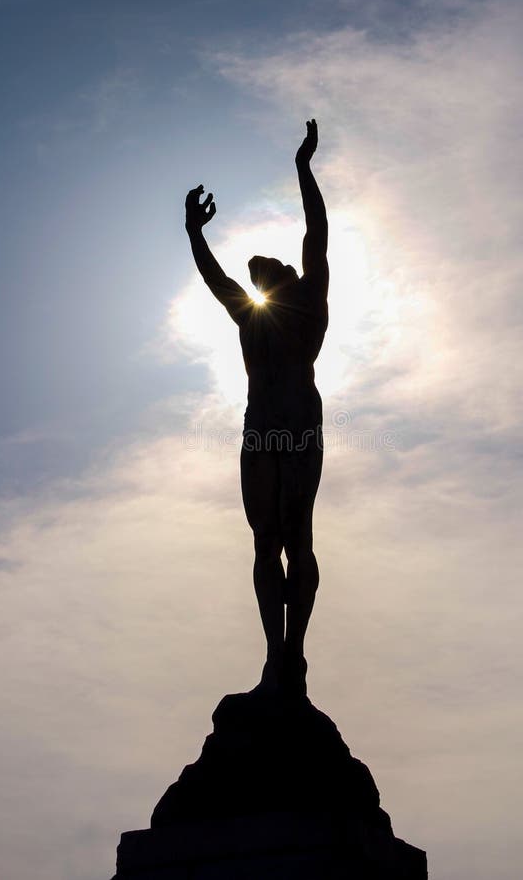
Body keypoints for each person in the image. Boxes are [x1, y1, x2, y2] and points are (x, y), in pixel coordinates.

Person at [185, 119, 328, 694]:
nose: (257, 282)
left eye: (264, 274)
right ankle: (277, 659)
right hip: (260, 430)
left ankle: (293, 653)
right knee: (265, 540)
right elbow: (216, 278)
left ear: (287, 278)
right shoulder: (250, 315)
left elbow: (316, 231)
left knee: (298, 539)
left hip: (296, 424)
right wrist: (193, 232)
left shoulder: (310, 300)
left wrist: (303, 168)